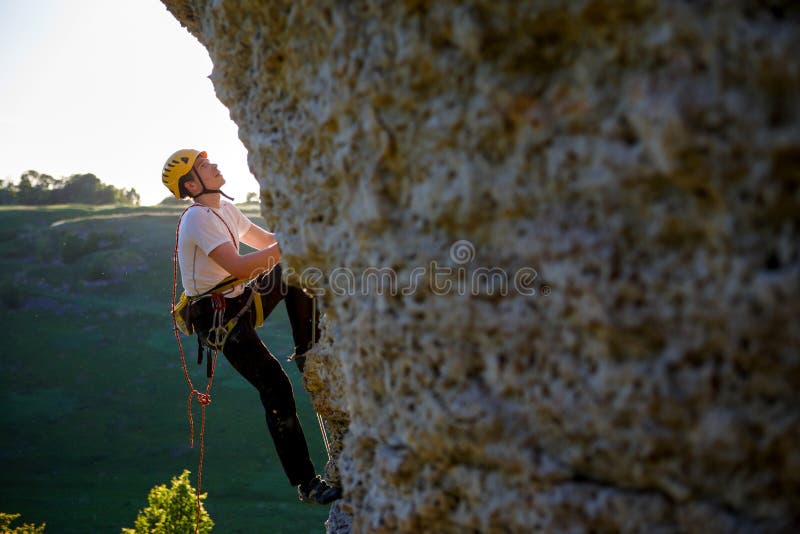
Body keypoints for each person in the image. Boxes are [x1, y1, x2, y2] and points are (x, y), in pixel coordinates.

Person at [161, 148, 341, 505]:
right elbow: (242, 266)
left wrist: (300, 237)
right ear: (192, 183)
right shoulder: (197, 218)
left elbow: (265, 243)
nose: (213, 165)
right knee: (274, 386)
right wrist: (292, 244)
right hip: (217, 316)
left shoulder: (225, 208)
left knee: (296, 270)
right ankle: (307, 484)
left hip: (238, 298)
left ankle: (308, 351)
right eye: (203, 166)